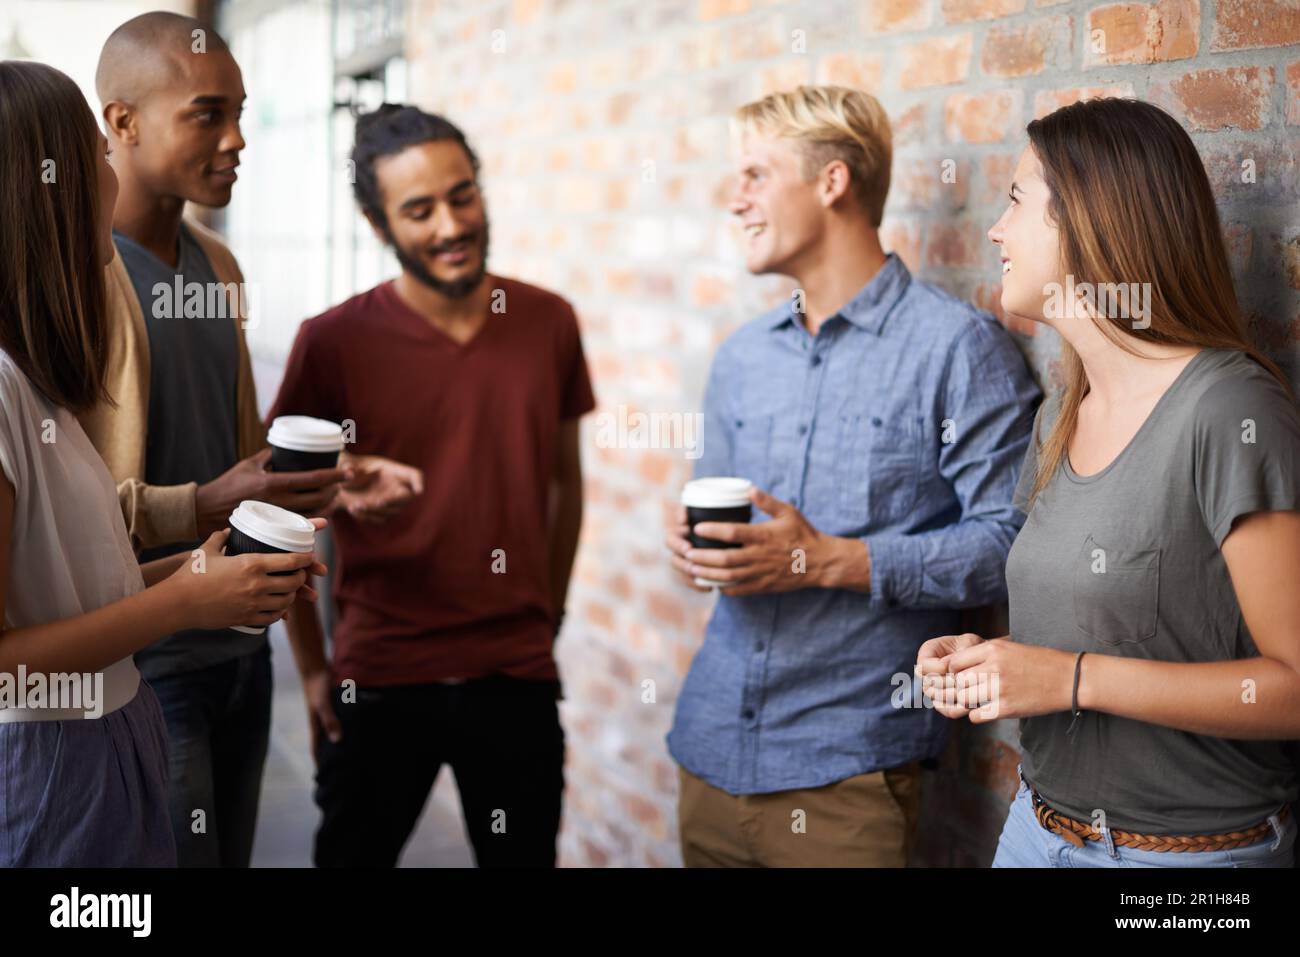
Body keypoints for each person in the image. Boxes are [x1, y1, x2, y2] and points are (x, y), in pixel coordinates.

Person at [663, 85, 1041, 867]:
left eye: (755, 175)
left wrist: (832, 558)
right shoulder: (741, 357)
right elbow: (727, 525)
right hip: (708, 753)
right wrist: (697, 547)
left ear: (832, 181)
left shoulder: (957, 350)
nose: (735, 201)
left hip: (848, 777)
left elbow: (1014, 542)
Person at [919, 97, 1300, 868]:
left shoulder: (1228, 410)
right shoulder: (1064, 408)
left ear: (1092, 222)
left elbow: (1292, 687)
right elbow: (1091, 630)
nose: (996, 230)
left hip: (1186, 862)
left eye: (1017, 201)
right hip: (1035, 833)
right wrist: (992, 659)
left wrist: (1070, 677)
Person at [85, 12, 419, 867]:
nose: (237, 138)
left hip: (241, 648)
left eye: (241, 111)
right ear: (121, 122)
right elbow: (71, 522)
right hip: (142, 659)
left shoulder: (220, 270)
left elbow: (254, 481)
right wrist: (207, 502)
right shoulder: (75, 282)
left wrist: (333, 488)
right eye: (207, 113)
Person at [0, 59, 326, 867]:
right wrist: (181, 602)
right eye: (91, 161)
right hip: (55, 764)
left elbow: (65, 575)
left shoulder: (39, 381)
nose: (105, 187)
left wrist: (197, 574)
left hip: (112, 732)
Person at [269, 105, 595, 868]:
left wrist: (549, 611)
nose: (452, 224)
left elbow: (564, 483)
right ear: (378, 223)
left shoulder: (548, 322)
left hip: (514, 674)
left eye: (463, 195)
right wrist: (316, 669)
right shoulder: (333, 341)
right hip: (379, 672)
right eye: (420, 210)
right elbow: (283, 510)